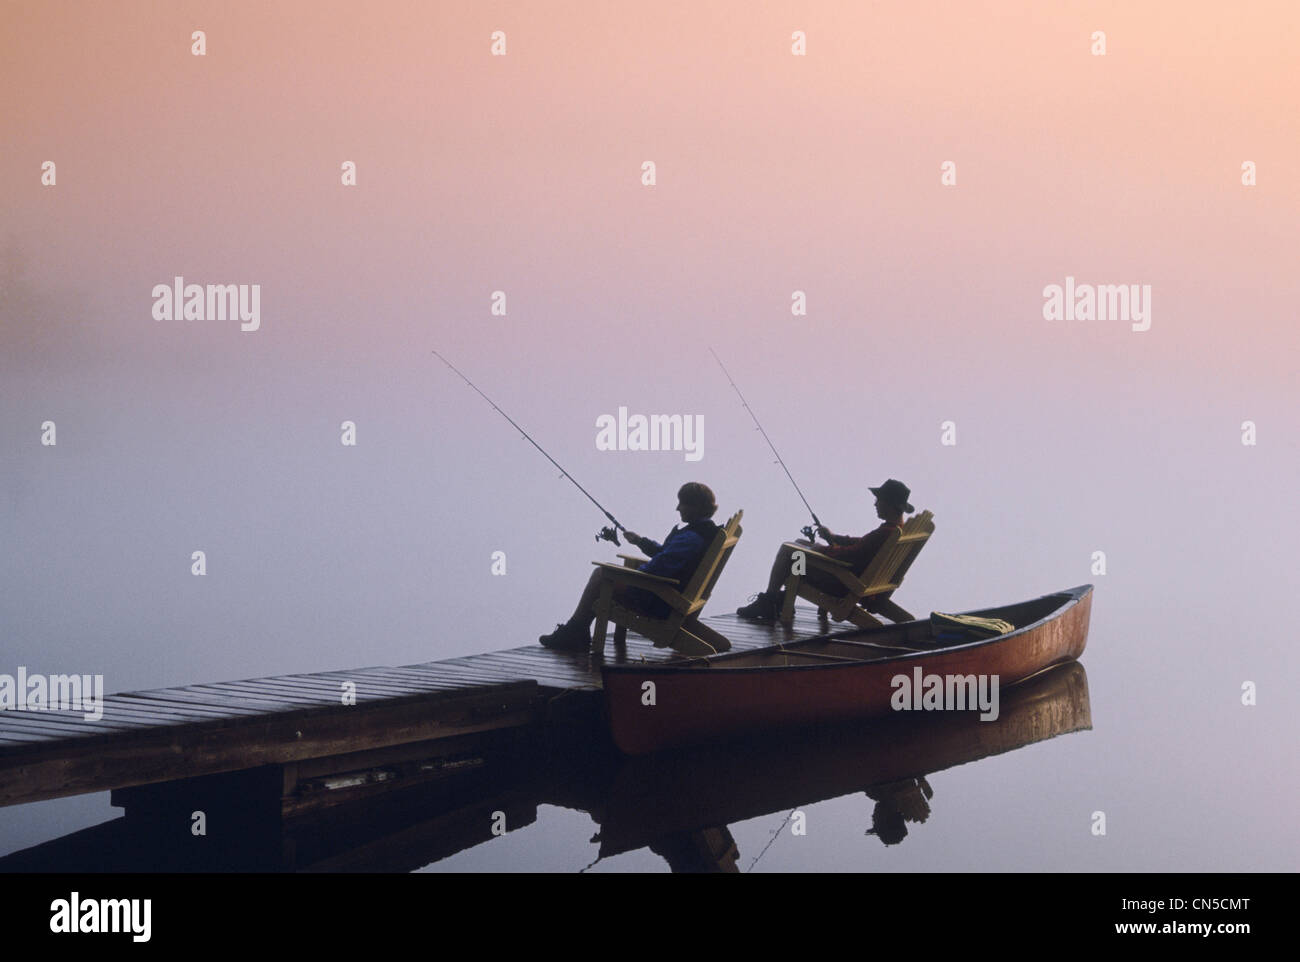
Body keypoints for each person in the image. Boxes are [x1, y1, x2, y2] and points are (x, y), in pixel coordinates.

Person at [539, 482, 721, 651]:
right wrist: (640, 542)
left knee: (601, 575)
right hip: (673, 597)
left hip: (659, 601)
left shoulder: (691, 538)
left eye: (682, 503)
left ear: (695, 507)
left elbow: (659, 567)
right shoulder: (702, 533)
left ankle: (575, 631)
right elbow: (669, 557)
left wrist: (629, 576)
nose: (677, 508)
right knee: (605, 574)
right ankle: (577, 631)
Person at [736, 478, 914, 622]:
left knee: (788, 551)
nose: (875, 504)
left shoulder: (885, 533)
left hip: (842, 582)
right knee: (798, 544)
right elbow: (861, 545)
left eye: (878, 500)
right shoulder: (895, 531)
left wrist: (821, 549)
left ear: (890, 505)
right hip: (861, 580)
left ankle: (771, 600)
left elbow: (852, 555)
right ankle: (778, 600)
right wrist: (834, 537)